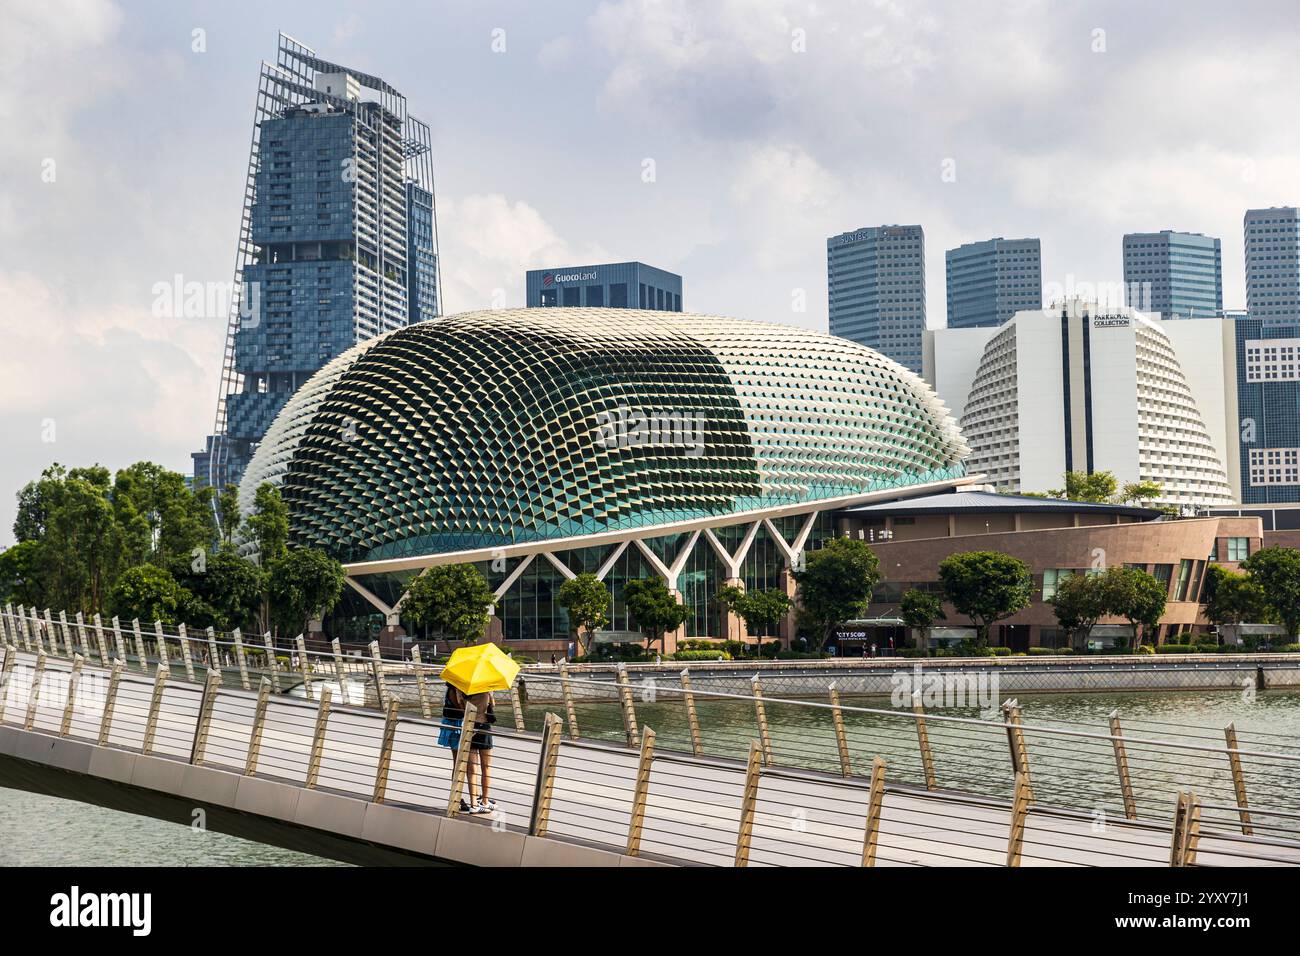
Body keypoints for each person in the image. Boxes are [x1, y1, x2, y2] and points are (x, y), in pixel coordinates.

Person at [465, 691, 497, 814]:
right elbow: (492, 705)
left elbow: (462, 706)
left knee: (472, 769)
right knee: (486, 767)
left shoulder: (464, 689)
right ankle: (484, 800)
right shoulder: (486, 688)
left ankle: (473, 803)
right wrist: (491, 694)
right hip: (483, 727)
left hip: (470, 726)